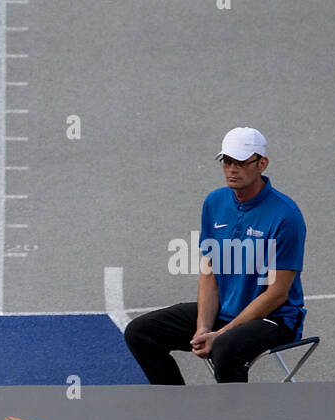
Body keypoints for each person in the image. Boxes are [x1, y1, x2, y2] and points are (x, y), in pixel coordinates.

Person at [124, 127, 306, 384]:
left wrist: (221, 334)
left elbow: (278, 293)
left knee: (226, 349)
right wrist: (203, 329)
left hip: (274, 318)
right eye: (227, 161)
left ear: (262, 163)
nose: (232, 169)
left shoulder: (286, 216)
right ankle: (178, 408)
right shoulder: (215, 203)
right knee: (140, 332)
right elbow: (209, 273)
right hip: (225, 310)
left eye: (241, 162)